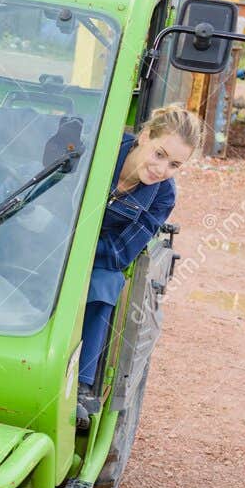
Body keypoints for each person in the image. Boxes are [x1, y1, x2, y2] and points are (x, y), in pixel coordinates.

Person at [79, 105, 204, 406]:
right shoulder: (98, 150)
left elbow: (122, 252)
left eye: (174, 165)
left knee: (107, 282)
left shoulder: (163, 195)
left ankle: (82, 386)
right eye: (159, 154)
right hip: (47, 238)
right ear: (145, 135)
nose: (162, 170)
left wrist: (76, 251)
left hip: (93, 257)